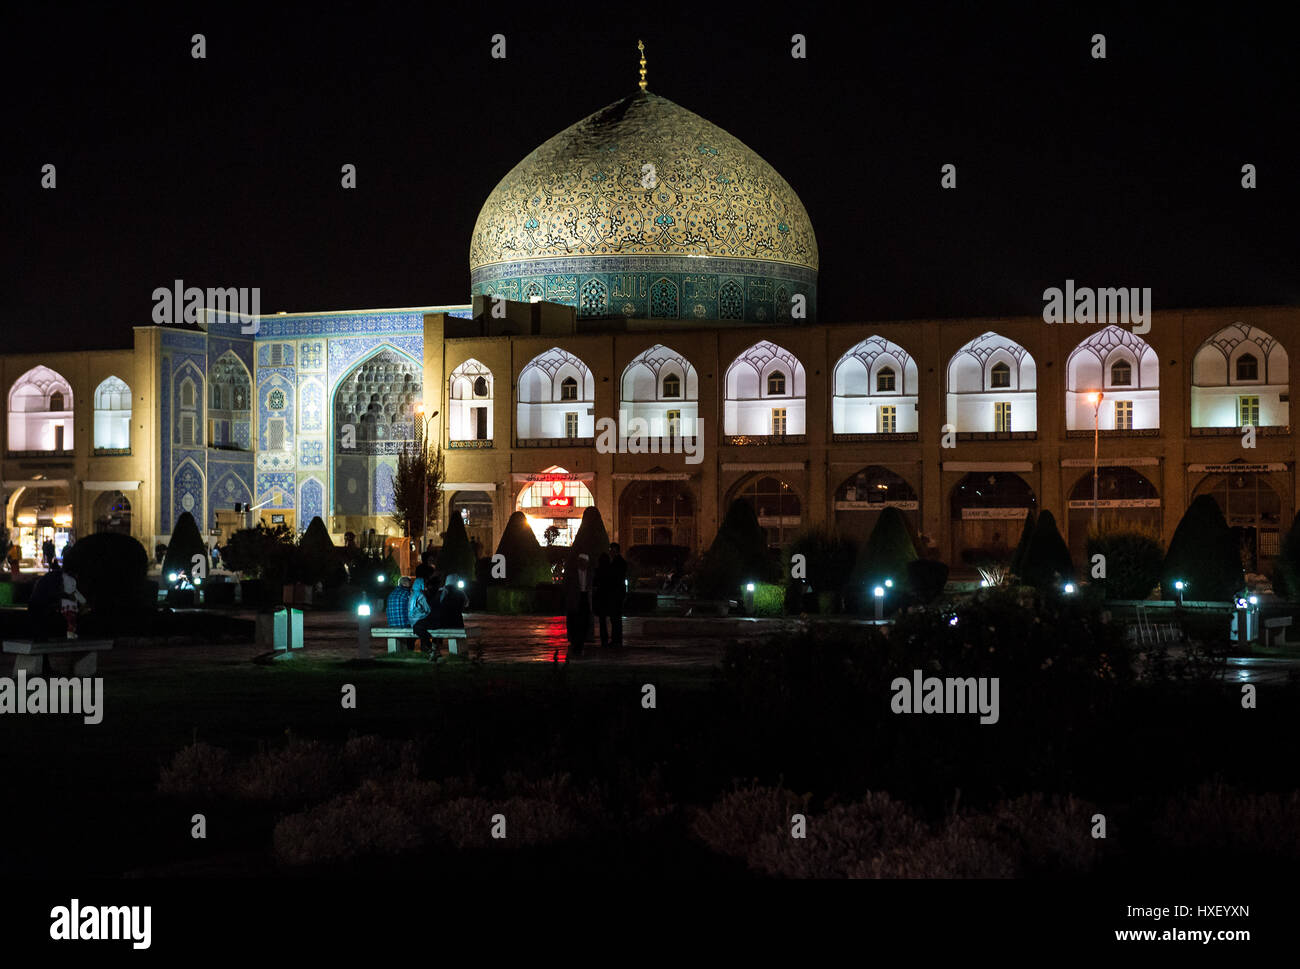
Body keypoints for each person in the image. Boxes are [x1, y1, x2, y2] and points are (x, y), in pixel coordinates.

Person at [27, 560, 85, 641]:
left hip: (38, 603)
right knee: (41, 630)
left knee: (40, 632)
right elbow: (56, 593)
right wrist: (68, 597)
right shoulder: (59, 578)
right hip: (39, 604)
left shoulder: (56, 576)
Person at [564, 553, 593, 658]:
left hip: (585, 599)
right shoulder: (572, 573)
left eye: (584, 562)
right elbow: (567, 587)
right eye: (581, 561)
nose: (583, 564)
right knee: (575, 622)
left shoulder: (590, 574)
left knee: (584, 622)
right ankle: (575, 643)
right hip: (576, 599)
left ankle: (581, 642)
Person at [411, 565, 444, 657]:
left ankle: (430, 648)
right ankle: (432, 648)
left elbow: (427, 610)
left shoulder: (418, 594)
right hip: (434, 620)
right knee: (418, 627)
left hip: (431, 620)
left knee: (417, 627)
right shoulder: (425, 594)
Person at [605, 543, 628, 648]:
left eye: (612, 550)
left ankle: (616, 640)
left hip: (616, 593)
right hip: (617, 593)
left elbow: (615, 578)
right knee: (615, 618)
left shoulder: (618, 562)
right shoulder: (617, 562)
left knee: (615, 618)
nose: (611, 552)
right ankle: (616, 639)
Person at [593, 552, 614, 648]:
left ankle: (604, 638)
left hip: (600, 597)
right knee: (612, 620)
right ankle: (613, 638)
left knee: (602, 620)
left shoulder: (598, 571)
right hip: (609, 597)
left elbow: (594, 583)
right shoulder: (611, 570)